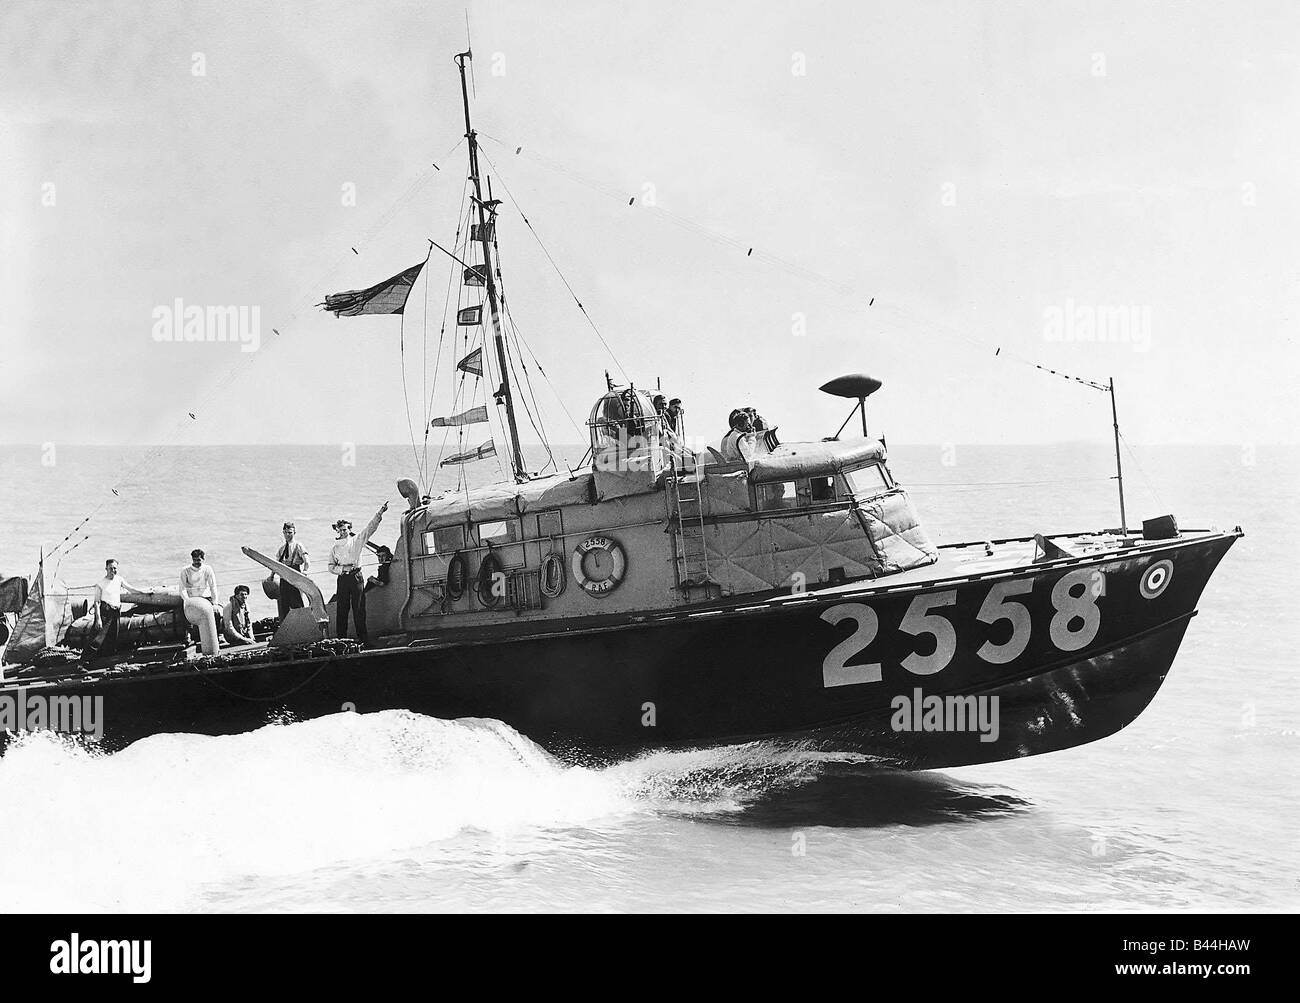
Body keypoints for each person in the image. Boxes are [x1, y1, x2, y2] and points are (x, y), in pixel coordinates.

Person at [328, 502, 388, 645]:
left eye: (345, 529)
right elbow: (330, 566)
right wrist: (343, 569)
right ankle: (341, 640)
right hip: (343, 579)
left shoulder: (357, 540)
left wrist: (380, 513)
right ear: (337, 530)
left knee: (359, 609)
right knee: (342, 609)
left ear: (350, 529)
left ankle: (364, 639)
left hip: (356, 578)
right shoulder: (335, 547)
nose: (343, 532)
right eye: (340, 530)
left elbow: (370, 528)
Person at [87, 558, 135, 659]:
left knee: (112, 638)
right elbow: (96, 602)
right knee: (97, 638)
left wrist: (145, 593)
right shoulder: (101, 583)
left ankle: (105, 660)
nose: (113, 570)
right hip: (105, 612)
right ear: (106, 568)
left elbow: (131, 589)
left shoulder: (119, 579)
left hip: (116, 613)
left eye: (115, 568)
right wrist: (98, 619)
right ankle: (83, 662)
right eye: (110, 568)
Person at [179, 548, 220, 655]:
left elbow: (213, 586)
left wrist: (215, 602)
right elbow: (182, 588)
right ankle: (188, 637)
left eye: (199, 560)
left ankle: (218, 636)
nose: (197, 562)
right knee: (186, 616)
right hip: (192, 598)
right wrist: (187, 601)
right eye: (195, 560)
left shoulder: (207, 569)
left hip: (205, 597)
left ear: (203, 559)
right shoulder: (185, 570)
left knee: (216, 613)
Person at [274, 521, 310, 620]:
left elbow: (307, 561)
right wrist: (271, 576)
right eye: (285, 532)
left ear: (294, 532)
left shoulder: (298, 545)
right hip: (284, 577)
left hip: (295, 574)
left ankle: (302, 623)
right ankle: (286, 626)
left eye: (290, 532)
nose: (287, 535)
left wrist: (304, 572)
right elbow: (276, 564)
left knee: (297, 602)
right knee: (284, 603)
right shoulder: (281, 549)